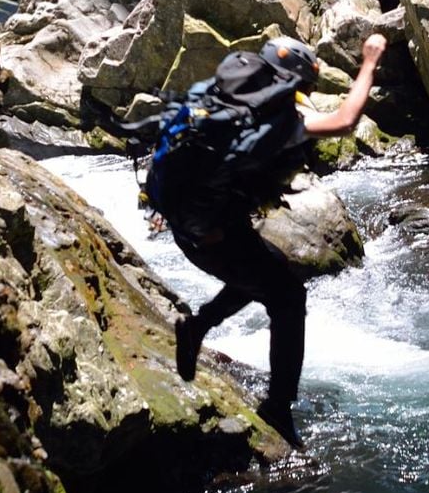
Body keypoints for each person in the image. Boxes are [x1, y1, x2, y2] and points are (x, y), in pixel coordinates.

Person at [150, 32, 387, 448]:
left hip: (190, 227)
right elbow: (345, 121)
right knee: (289, 298)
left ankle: (198, 327)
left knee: (269, 271)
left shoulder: (217, 100)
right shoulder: (277, 121)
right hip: (212, 236)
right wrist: (368, 63)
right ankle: (277, 407)